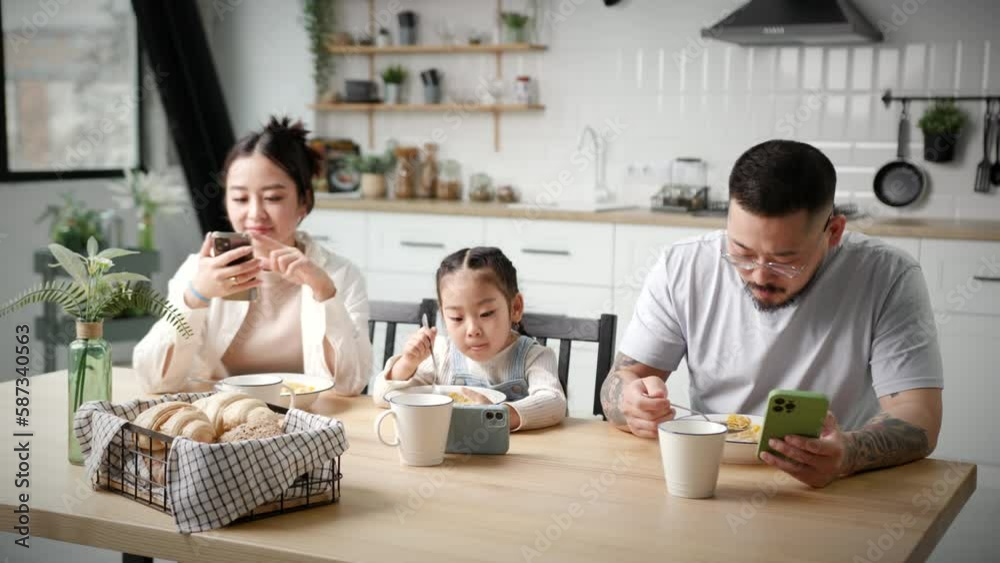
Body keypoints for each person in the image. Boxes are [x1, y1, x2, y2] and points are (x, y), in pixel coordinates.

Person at [600, 140, 943, 488]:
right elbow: (621, 380)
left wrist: (850, 453)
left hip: (832, 483)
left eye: (785, 260)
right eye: (742, 251)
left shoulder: (887, 275)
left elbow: (919, 415)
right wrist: (630, 403)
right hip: (713, 475)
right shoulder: (683, 266)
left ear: (834, 232)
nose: (760, 275)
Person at [133, 116, 372, 395]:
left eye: (272, 198)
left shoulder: (340, 276)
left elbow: (350, 385)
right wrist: (196, 297)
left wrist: (324, 292)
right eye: (240, 199)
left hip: (306, 423)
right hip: (220, 420)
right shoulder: (198, 270)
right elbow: (154, 380)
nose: (255, 214)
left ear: (304, 201)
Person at [372, 247, 566, 431]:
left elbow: (553, 402)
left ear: (515, 308)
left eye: (486, 314)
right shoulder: (441, 354)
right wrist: (407, 363)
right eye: (457, 318)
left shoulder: (534, 356)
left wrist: (496, 415)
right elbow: (383, 397)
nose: (473, 330)